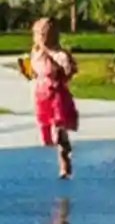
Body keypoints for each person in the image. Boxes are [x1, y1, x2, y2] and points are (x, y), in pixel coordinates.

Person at [29, 17, 78, 178]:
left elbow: (69, 70)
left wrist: (63, 71)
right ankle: (55, 144)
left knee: (58, 128)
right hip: (41, 93)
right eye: (38, 34)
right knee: (44, 128)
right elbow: (34, 72)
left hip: (56, 94)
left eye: (43, 35)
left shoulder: (59, 54)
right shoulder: (36, 53)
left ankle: (65, 163)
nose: (40, 38)